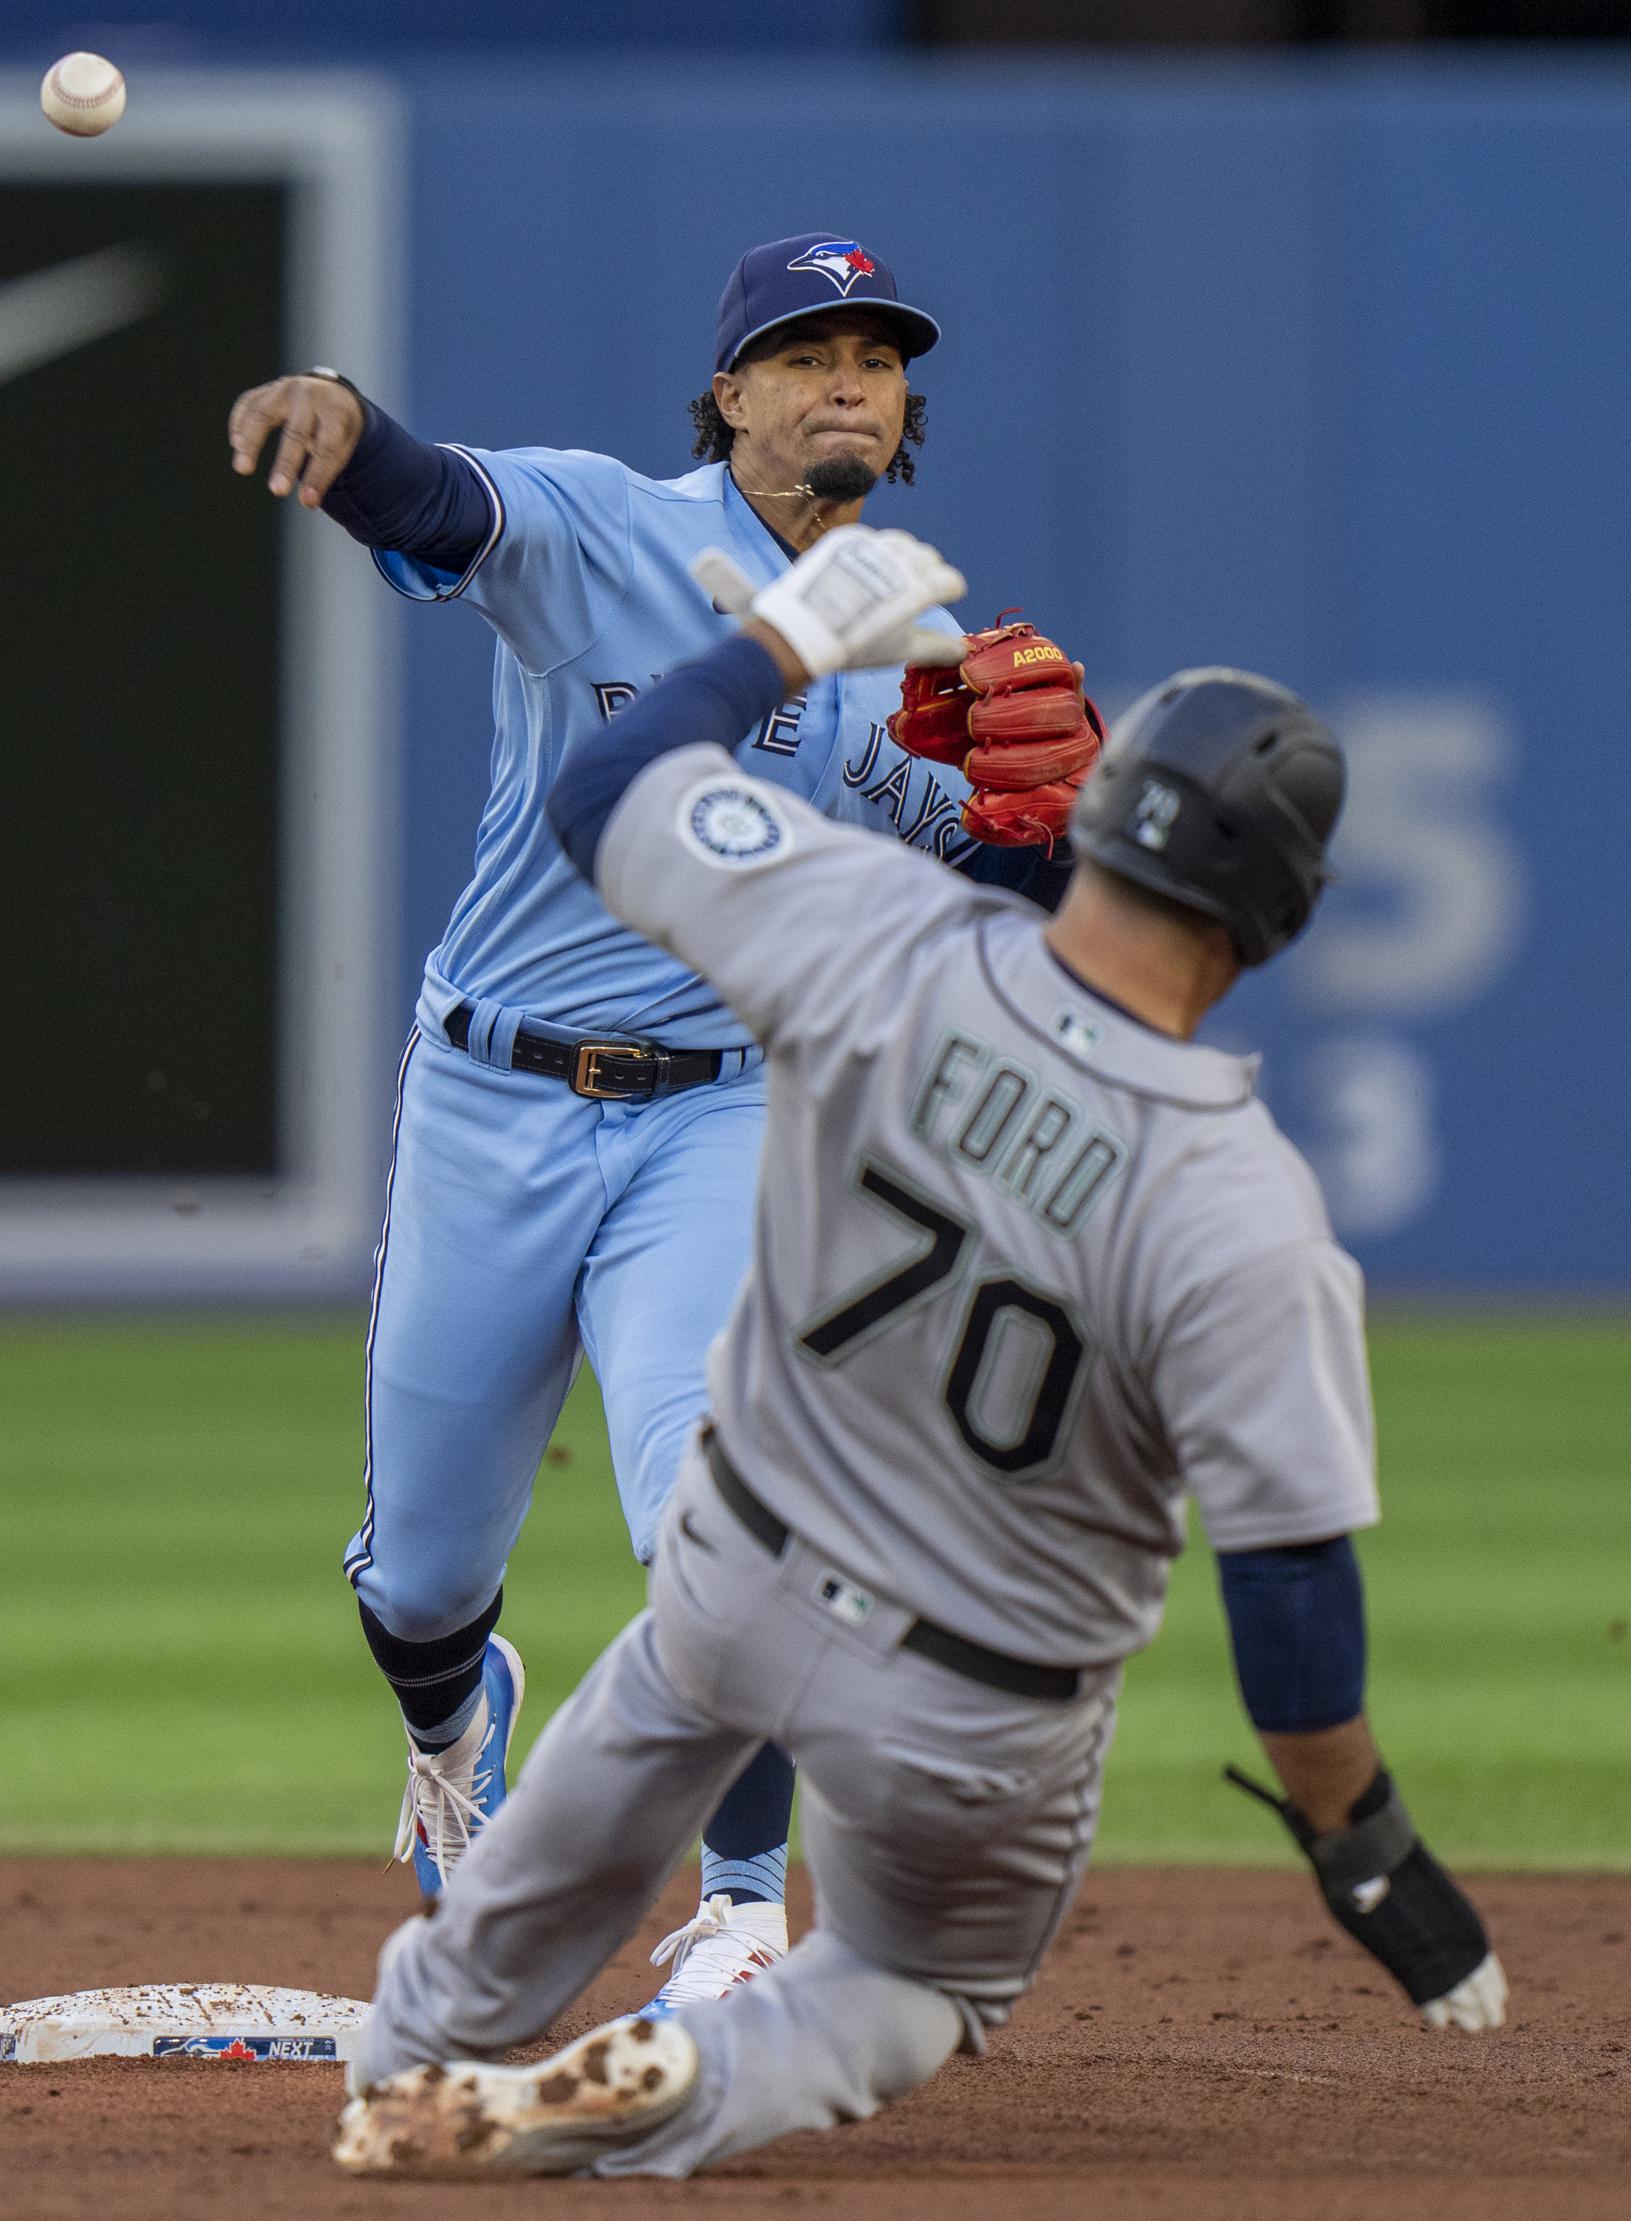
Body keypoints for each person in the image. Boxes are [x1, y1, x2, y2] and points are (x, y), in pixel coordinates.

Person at [328, 522, 1508, 2180]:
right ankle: (687, 2073)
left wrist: (786, 647)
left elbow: (603, 794)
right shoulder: (1252, 1212)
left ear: (1092, 820)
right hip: (978, 1710)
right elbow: (1291, 1591)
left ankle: (410, 2041)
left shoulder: (876, 936)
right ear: (1281, 919)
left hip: (746, 1571)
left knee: (655, 1707)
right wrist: (1359, 1840)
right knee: (910, 1979)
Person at [225, 235, 1093, 2012]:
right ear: (731, 394)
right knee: (420, 1574)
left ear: (907, 406)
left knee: (726, 1510)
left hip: (727, 1115)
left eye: (877, 354)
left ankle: (741, 1905)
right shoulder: (601, 525)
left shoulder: (925, 655)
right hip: (490, 1090)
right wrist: (340, 420)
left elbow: (1033, 902)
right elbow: (440, 499)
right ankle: (456, 1719)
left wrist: (1054, 824)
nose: (847, 378)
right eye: (804, 352)